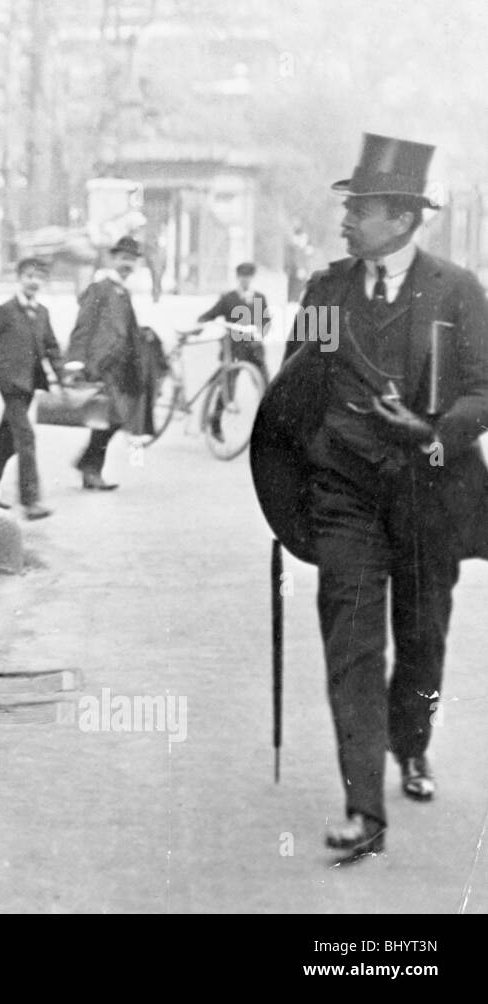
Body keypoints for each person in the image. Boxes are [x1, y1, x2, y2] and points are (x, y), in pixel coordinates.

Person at [251, 133, 488, 860]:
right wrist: (286, 489)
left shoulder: (458, 292)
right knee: (351, 644)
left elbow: (484, 389)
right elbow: (297, 384)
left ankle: (410, 745)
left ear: (402, 218)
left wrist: (430, 427)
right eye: (349, 208)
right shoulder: (327, 293)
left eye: (361, 209)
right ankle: (364, 809)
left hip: (430, 492)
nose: (346, 220)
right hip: (343, 494)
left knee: (422, 639)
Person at [65, 236, 155, 490]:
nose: (127, 264)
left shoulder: (122, 291)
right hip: (101, 365)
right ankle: (90, 468)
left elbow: (125, 328)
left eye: (132, 260)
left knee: (109, 419)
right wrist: (76, 362)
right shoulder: (100, 289)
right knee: (112, 418)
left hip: (119, 367)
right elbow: (83, 326)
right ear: (113, 259)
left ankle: (89, 470)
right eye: (124, 258)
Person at [0, 258, 62, 519]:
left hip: (30, 384)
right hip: (10, 385)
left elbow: (52, 347)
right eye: (29, 275)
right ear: (19, 278)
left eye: (39, 277)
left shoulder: (42, 312)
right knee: (26, 437)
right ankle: (31, 501)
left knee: (6, 442)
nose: (34, 281)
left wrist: (62, 378)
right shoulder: (5, 310)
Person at [197, 261, 272, 441]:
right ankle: (215, 426)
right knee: (227, 387)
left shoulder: (259, 298)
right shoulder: (228, 298)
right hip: (234, 348)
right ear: (238, 277)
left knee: (266, 387)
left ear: (252, 278)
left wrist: (259, 332)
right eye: (242, 276)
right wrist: (207, 321)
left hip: (254, 348)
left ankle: (271, 430)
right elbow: (208, 315)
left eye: (248, 276)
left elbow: (266, 322)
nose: (245, 280)